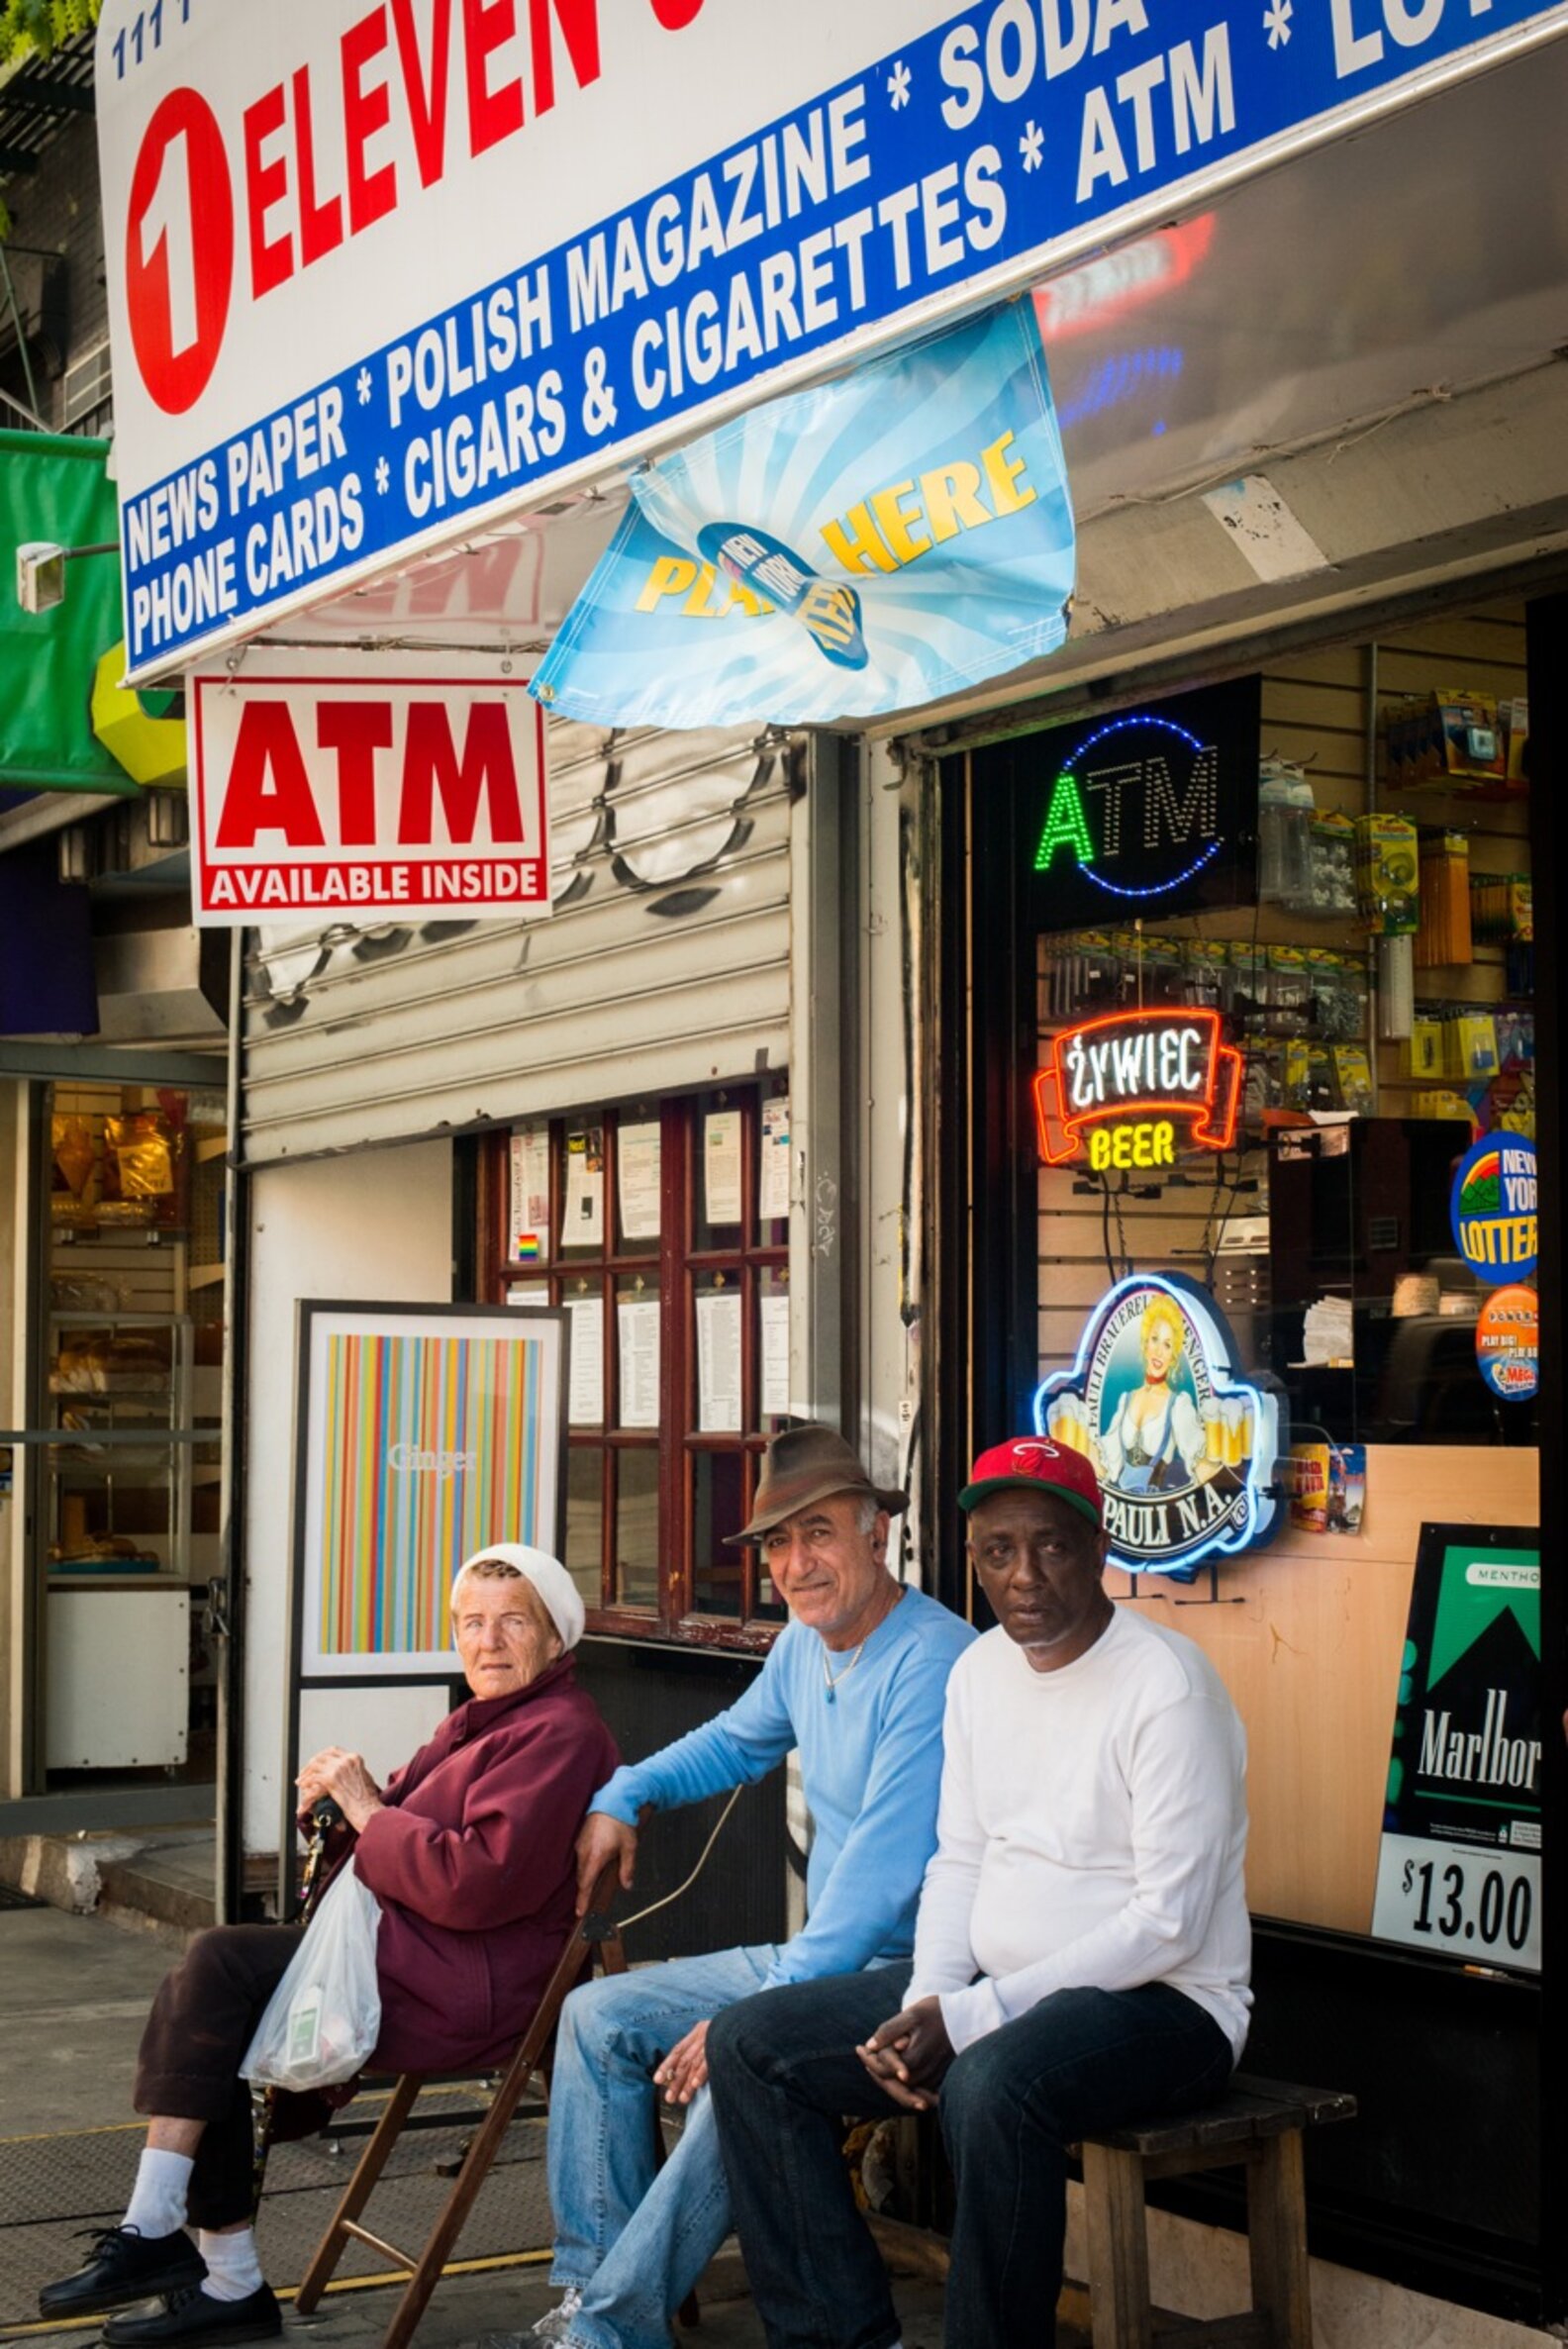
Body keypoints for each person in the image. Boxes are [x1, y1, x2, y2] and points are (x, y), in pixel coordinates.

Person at [707, 1434, 1250, 2349]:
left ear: (1099, 1548)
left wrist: (971, 2018)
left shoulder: (1168, 1687)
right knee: (753, 2044)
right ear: (973, 1559)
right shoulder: (980, 1671)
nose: (1024, 1575)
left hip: (1168, 2005)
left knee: (991, 2084)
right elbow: (959, 1858)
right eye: (999, 1551)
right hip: (995, 1988)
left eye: (1052, 1546)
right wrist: (930, 1996)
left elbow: (1169, 1922)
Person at [39, 1545, 618, 2349]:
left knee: (220, 1970)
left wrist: (365, 1807)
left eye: (513, 1622)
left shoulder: (558, 1732)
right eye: (472, 1623)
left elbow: (473, 1881)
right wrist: (339, 1803)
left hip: (470, 1985)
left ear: (556, 1638)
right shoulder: (482, 1720)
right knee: (218, 1995)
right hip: (416, 1954)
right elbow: (397, 1818)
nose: (488, 1641)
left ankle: (178, 2244)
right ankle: (206, 2266)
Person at [530, 1422, 974, 2349]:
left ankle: (608, 2331)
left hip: (921, 1977)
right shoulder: (806, 1645)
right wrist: (623, 1792)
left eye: (819, 1533)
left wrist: (764, 2000)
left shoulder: (932, 1660)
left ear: (877, 1533)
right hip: (822, 1959)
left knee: (738, 2066)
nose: (796, 1563)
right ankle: (592, 2296)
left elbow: (880, 1879)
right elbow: (734, 1742)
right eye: (777, 1541)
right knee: (596, 2016)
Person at [1097, 1294, 1207, 1492]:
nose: (1158, 1351)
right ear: (1145, 1343)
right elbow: (1104, 1467)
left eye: (1167, 1345)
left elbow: (1201, 1466)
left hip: (1156, 1506)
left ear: (1173, 1357)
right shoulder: (1126, 1399)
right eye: (1155, 1339)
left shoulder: (1178, 1405)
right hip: (1121, 1504)